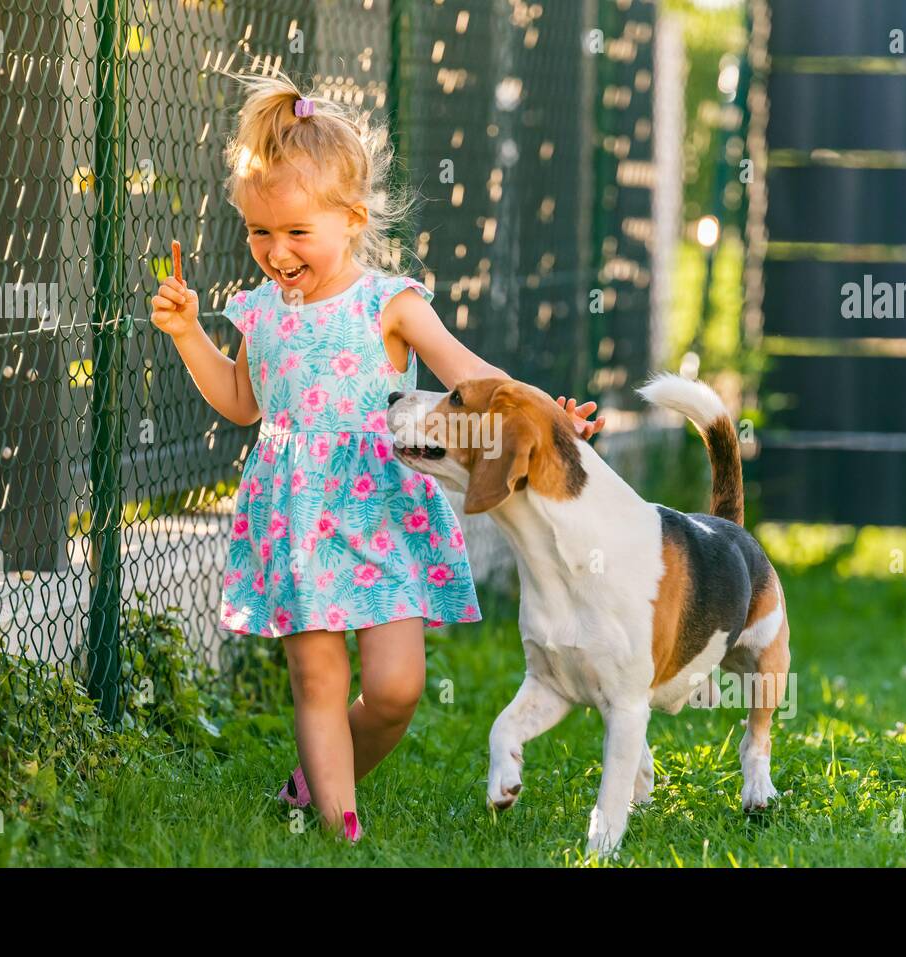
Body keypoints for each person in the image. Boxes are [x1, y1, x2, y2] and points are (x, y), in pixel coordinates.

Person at [150, 71, 605, 844]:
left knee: (396, 689)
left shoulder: (389, 303)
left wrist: (545, 414)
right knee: (317, 677)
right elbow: (242, 401)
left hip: (383, 507)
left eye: (297, 232)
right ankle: (338, 827)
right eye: (260, 232)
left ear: (350, 219)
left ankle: (310, 787)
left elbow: (470, 376)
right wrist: (190, 333)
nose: (277, 252)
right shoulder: (258, 311)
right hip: (295, 507)